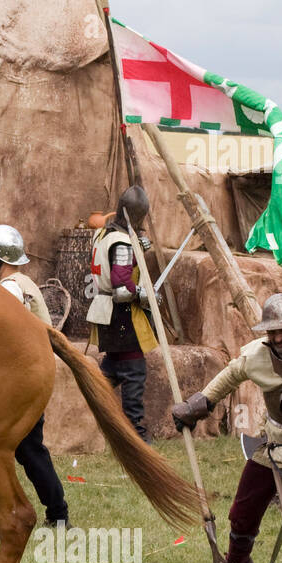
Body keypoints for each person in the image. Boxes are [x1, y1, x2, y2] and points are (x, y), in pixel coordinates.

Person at [171, 294, 282, 563]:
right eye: (273, 331)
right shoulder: (256, 355)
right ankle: (237, 561)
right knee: (243, 509)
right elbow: (229, 376)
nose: (279, 337)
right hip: (273, 444)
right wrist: (196, 405)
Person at [0, 224, 70, 527]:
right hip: (22, 380)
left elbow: (3, 337)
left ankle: (57, 514)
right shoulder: (17, 282)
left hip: (23, 382)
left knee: (28, 449)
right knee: (21, 448)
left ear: (3, 258)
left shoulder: (11, 288)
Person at [86, 185, 157, 440]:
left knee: (113, 369)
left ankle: (90, 419)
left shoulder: (104, 233)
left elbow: (117, 259)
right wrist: (144, 294)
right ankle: (135, 435)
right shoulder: (123, 243)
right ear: (138, 216)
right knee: (133, 373)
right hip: (122, 314)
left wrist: (138, 245)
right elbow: (121, 285)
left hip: (107, 314)